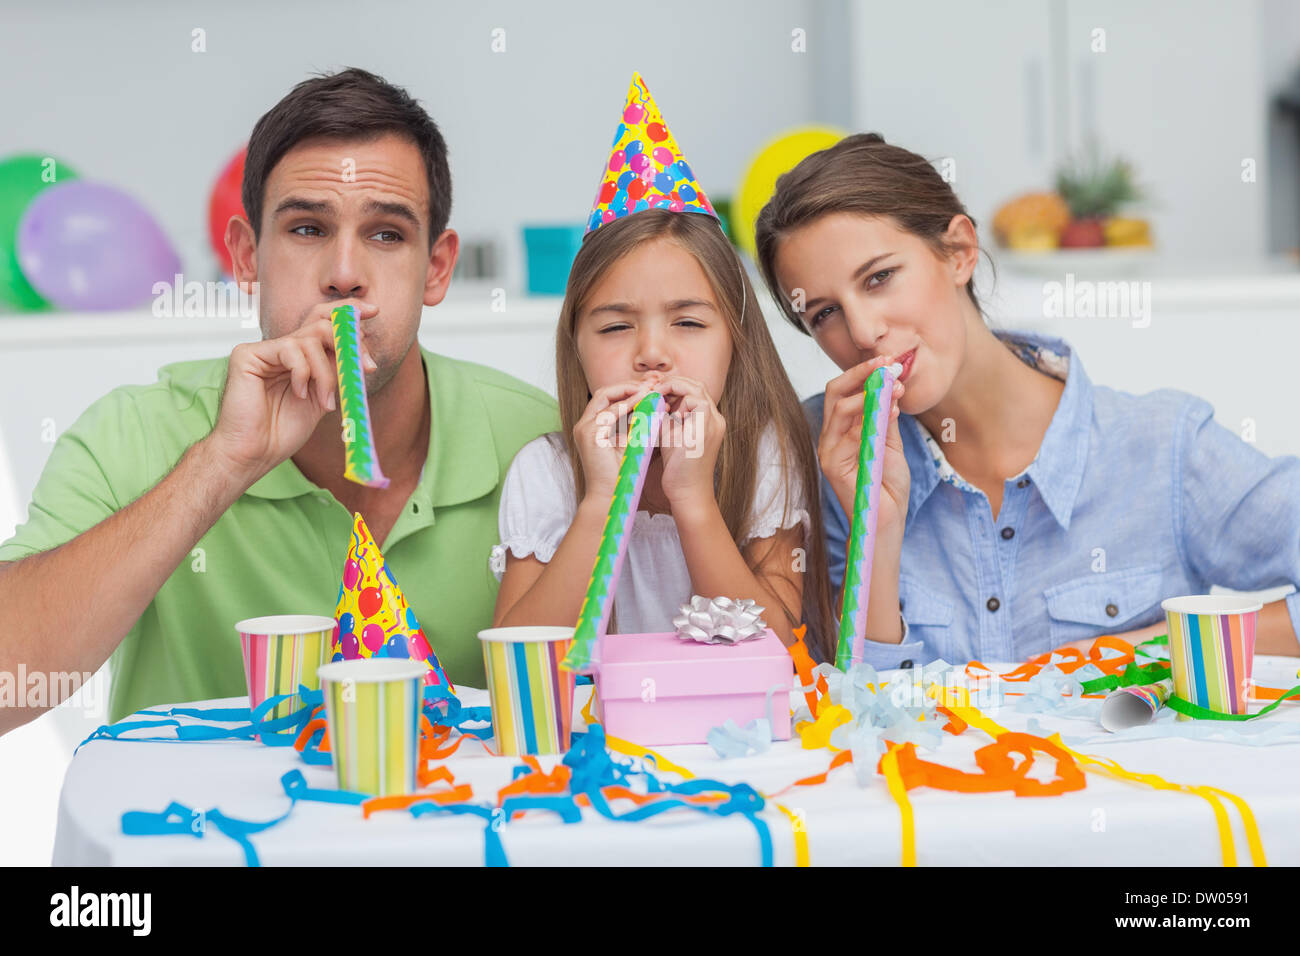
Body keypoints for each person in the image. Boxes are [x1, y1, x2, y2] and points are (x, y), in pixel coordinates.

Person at [0, 67, 558, 733]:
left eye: (386, 234)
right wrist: (222, 463)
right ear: (245, 258)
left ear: (436, 268)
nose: (345, 276)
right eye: (307, 229)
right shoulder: (132, 434)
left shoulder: (541, 443)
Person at [754, 131, 1300, 668]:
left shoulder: (1164, 448)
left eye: (880, 278)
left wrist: (1135, 648)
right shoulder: (816, 456)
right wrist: (878, 528)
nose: (864, 331)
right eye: (823, 313)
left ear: (960, 252)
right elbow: (856, 719)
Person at [490, 74, 833, 655]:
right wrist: (600, 500)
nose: (651, 353)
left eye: (689, 323)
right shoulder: (547, 473)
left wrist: (694, 501)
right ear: (576, 344)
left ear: (736, 342)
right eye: (617, 326)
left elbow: (779, 654)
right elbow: (518, 662)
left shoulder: (766, 456)